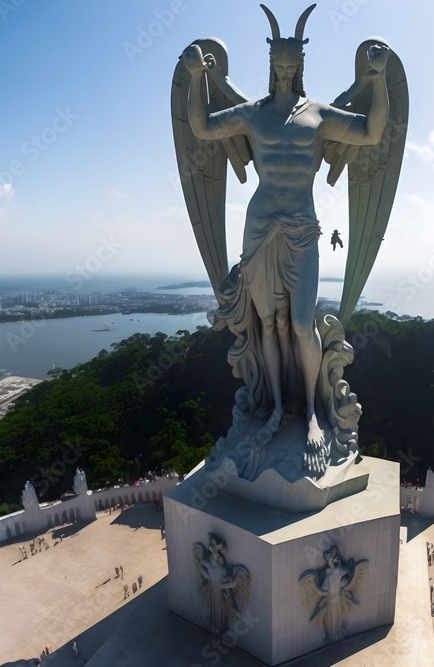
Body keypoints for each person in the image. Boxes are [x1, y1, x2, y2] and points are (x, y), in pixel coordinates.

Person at [180, 6, 390, 460]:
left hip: (301, 228)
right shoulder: (253, 114)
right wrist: (197, 77)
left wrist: (377, 78)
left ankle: (313, 412)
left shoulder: (319, 114)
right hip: (258, 229)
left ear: (300, 68)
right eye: (279, 65)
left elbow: (373, 132)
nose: (284, 72)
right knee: (270, 326)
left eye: (292, 66)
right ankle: (275, 409)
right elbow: (200, 126)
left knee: (299, 322)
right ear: (271, 65)